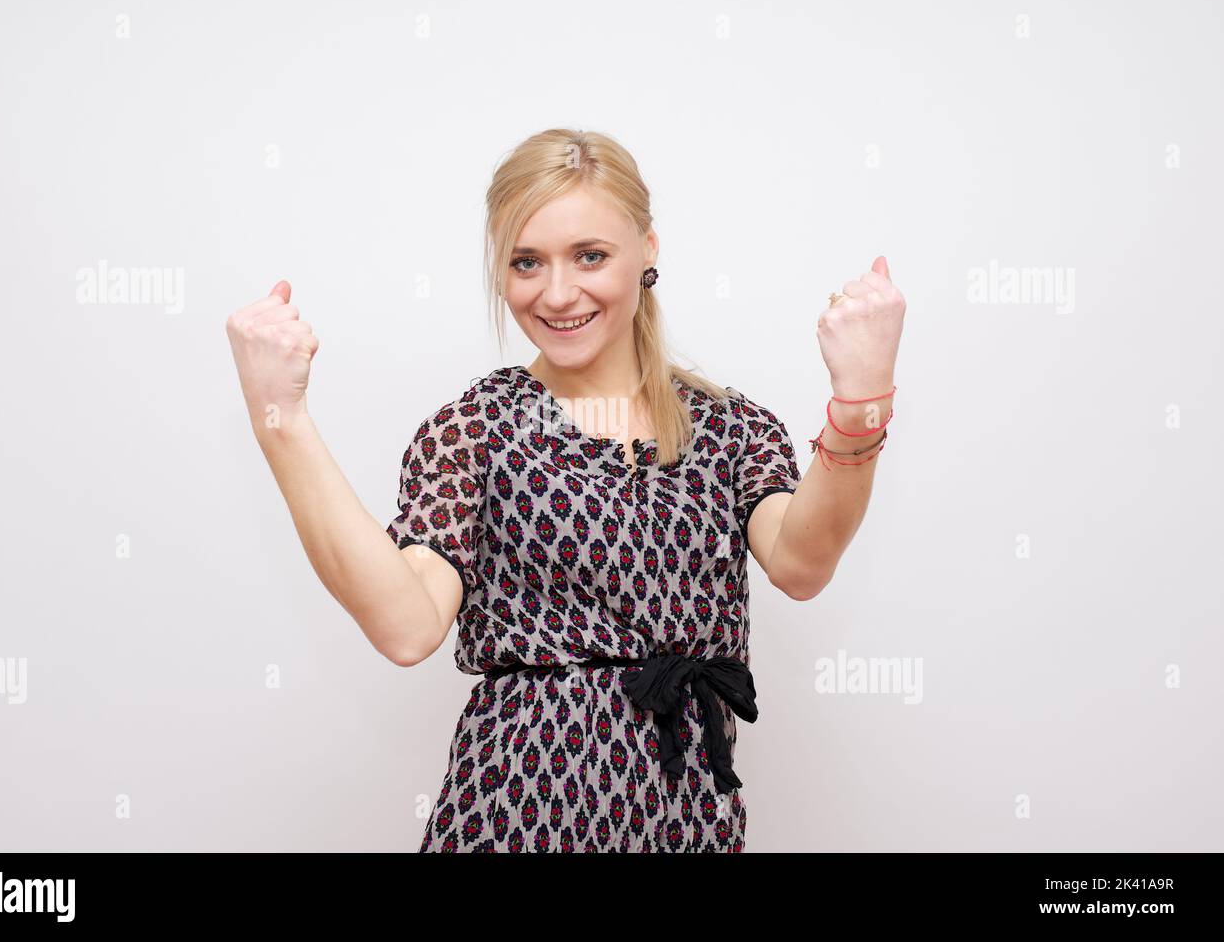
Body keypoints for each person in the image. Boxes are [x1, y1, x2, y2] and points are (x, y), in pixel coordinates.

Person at [225, 128, 905, 852]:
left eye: (590, 255)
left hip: (687, 817)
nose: (556, 293)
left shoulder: (730, 427)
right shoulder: (477, 429)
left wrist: (861, 401)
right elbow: (407, 625)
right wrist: (284, 423)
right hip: (518, 814)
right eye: (526, 262)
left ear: (648, 250)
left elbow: (802, 564)